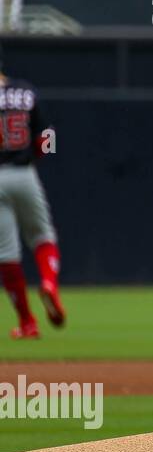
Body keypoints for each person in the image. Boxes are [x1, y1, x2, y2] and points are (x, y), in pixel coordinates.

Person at [0, 58, 64, 339]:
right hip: (25, 174)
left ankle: (27, 322)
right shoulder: (26, 92)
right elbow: (47, 136)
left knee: (7, 255)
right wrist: (36, 157)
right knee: (42, 236)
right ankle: (49, 283)